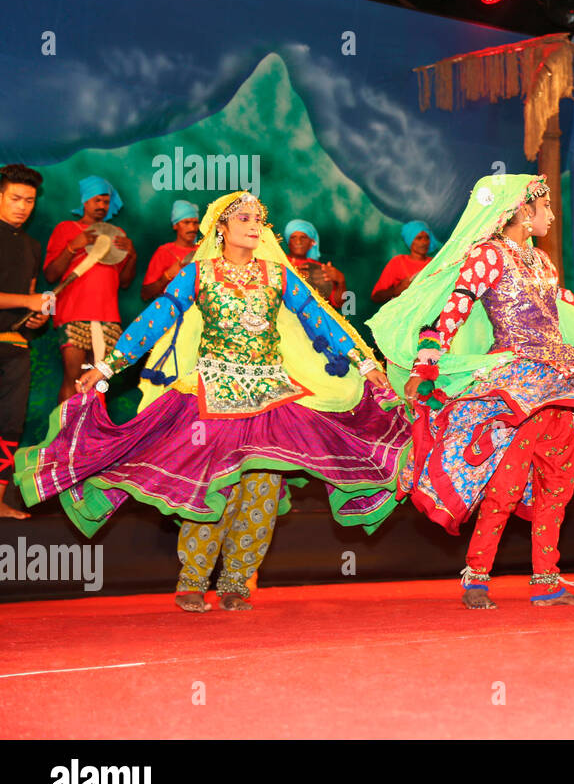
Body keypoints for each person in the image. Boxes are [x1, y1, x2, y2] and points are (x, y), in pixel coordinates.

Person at [16, 191, 408, 612]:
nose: (255, 225)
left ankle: (236, 581)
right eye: (244, 218)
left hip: (271, 396)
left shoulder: (278, 275)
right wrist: (108, 366)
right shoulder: (198, 274)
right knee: (214, 485)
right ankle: (193, 579)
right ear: (221, 227)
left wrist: (364, 364)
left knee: (261, 489)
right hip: (213, 395)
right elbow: (155, 320)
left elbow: (321, 320)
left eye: (259, 218)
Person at [368, 174, 574, 610]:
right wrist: (425, 366)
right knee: (507, 484)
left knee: (559, 479)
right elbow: (452, 312)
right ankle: (477, 576)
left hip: (558, 383)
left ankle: (546, 580)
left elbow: (569, 312)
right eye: (545, 206)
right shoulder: (488, 255)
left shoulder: (542, 261)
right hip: (518, 387)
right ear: (522, 211)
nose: (551, 214)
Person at [44, 176, 137, 401]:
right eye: (97, 200)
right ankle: (66, 425)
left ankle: (93, 425)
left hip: (108, 315)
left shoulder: (117, 235)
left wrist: (132, 255)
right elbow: (50, 275)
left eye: (106, 201)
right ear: (85, 201)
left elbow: (125, 283)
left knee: (99, 381)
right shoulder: (67, 228)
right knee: (73, 378)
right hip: (73, 312)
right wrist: (72, 246)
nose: (102, 205)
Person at [0, 165, 50, 520]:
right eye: (15, 198)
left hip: (16, 347)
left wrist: (37, 316)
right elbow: (26, 297)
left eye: (29, 200)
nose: (22, 207)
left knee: (8, 427)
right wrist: (27, 300)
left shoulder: (32, 246)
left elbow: (29, 300)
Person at [141, 199, 200, 302]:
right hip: (172, 310)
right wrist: (167, 276)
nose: (192, 228)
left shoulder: (204, 250)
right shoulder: (164, 252)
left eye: (195, 223)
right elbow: (145, 294)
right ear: (175, 225)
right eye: (186, 222)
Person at [284, 218, 345, 309]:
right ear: (288, 242)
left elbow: (338, 303)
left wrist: (341, 281)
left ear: (312, 242)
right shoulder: (279, 260)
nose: (298, 241)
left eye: (303, 237)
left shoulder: (319, 268)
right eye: (293, 237)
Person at [371, 220, 436, 304]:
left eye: (427, 237)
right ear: (410, 240)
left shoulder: (435, 263)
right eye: (419, 238)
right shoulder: (397, 262)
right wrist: (396, 290)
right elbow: (376, 296)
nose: (424, 242)